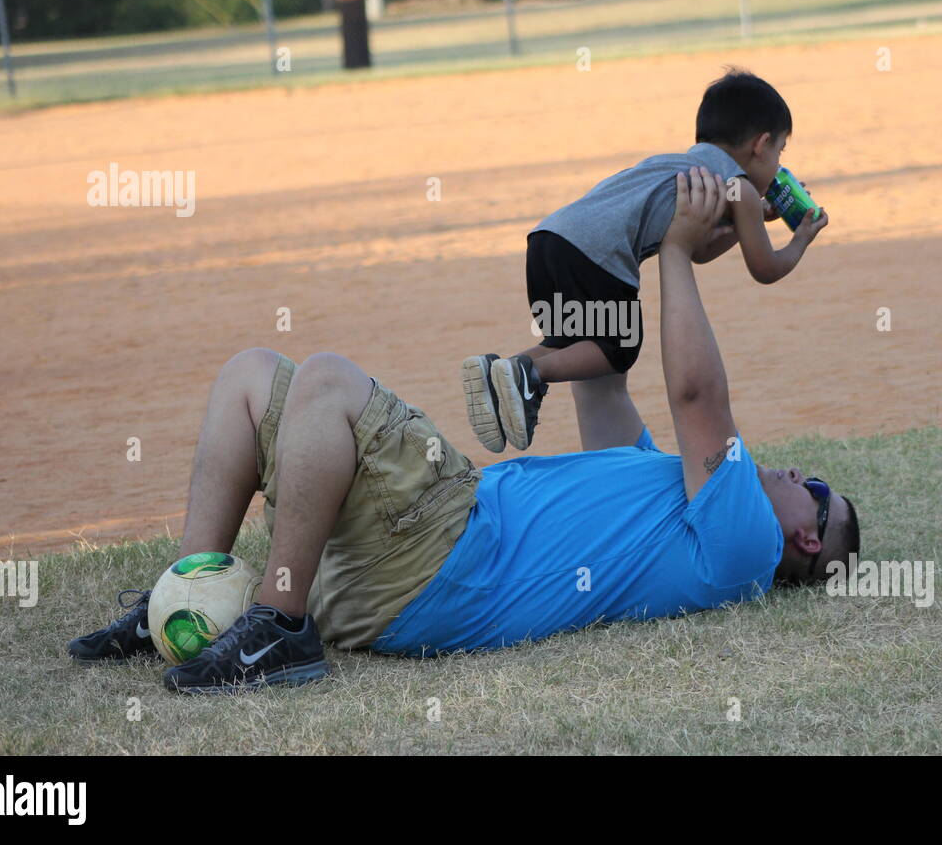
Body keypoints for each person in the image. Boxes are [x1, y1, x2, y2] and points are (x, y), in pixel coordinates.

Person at [67, 167, 858, 694]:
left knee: (331, 380)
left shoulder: (745, 548)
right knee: (251, 373)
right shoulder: (675, 504)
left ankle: (278, 628)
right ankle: (186, 600)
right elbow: (609, 377)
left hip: (447, 552)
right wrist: (641, 236)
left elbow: (695, 392)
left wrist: (679, 258)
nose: (797, 475)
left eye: (814, 491)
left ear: (809, 540)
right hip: (398, 570)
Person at [461, 67, 827, 453]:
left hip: (548, 241)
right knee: (616, 350)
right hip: (598, 254)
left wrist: (747, 223)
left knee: (574, 341)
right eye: (781, 151)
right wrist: (801, 238)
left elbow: (699, 250)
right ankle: (529, 373)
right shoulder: (742, 190)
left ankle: (498, 370)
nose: (779, 162)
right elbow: (765, 269)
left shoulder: (681, 166)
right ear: (761, 144)